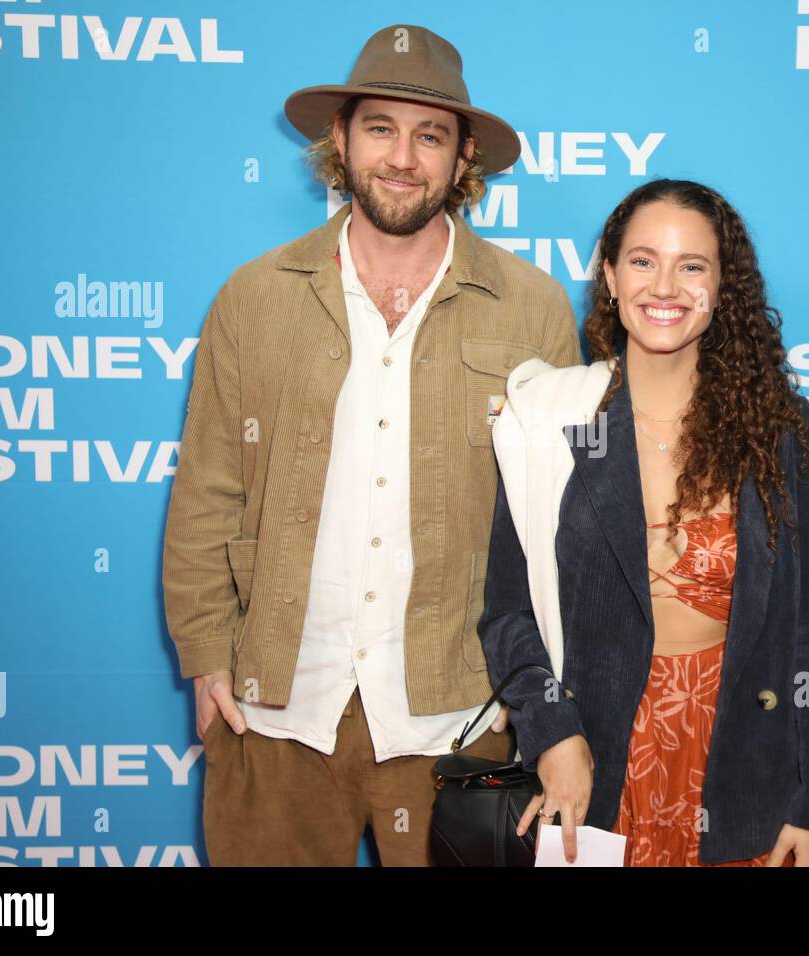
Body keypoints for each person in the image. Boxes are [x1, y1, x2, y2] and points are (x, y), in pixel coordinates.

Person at [162, 24, 582, 866]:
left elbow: (559, 527)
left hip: (457, 717)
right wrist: (206, 655)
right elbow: (209, 487)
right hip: (275, 714)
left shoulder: (529, 307)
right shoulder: (255, 298)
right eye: (380, 128)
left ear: (464, 160)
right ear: (341, 142)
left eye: (430, 135)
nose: (403, 156)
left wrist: (543, 701)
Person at [478, 178, 809, 866]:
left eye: (692, 266)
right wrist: (553, 731)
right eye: (643, 261)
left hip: (741, 765)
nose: (665, 286)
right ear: (610, 277)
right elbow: (507, 611)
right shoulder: (554, 421)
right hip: (592, 764)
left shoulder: (776, 428)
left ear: (722, 287)